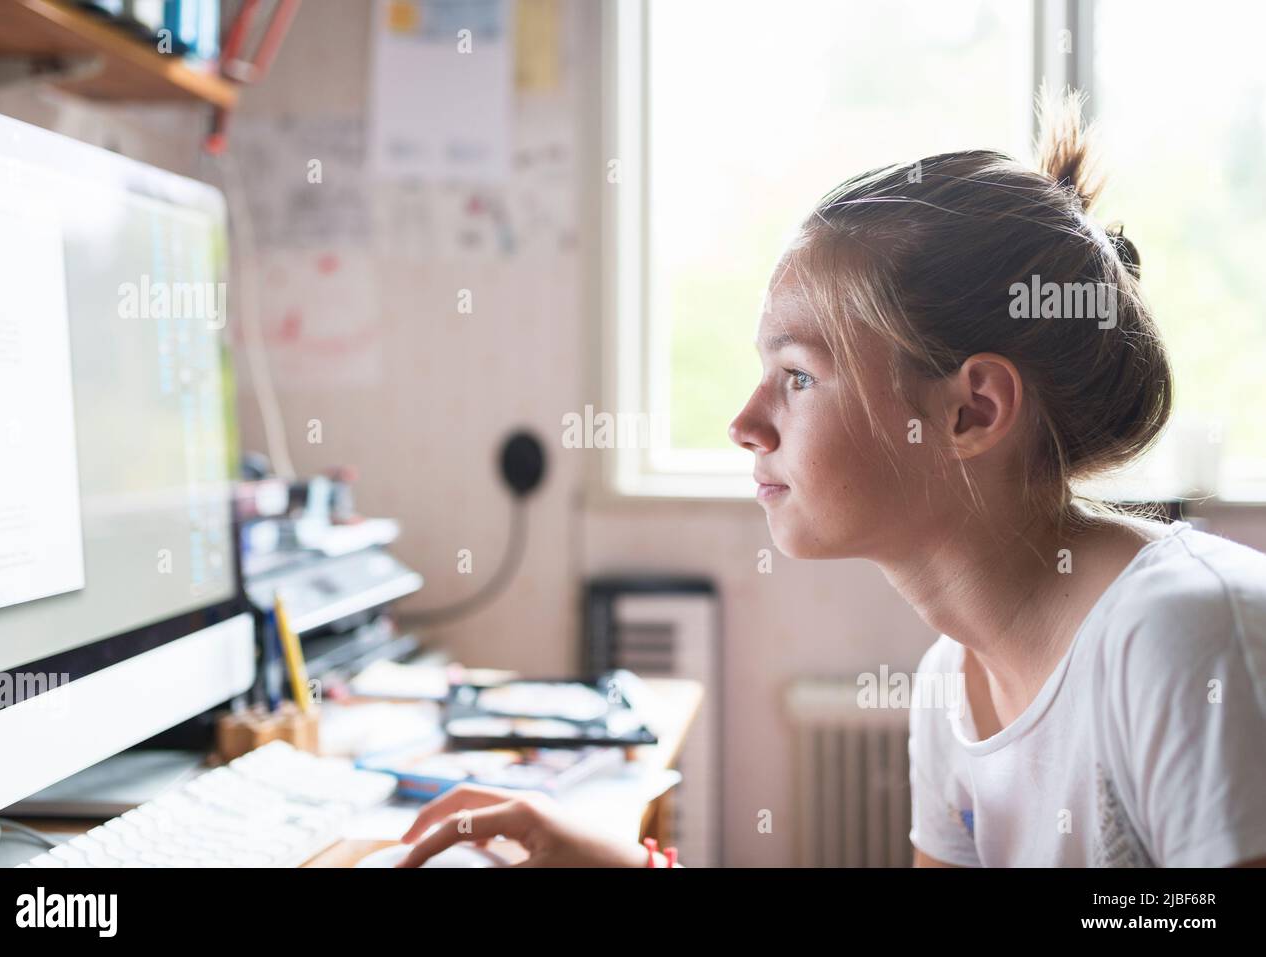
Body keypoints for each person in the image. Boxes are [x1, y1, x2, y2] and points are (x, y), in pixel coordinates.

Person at [397, 92, 1266, 868]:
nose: (745, 423)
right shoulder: (948, 686)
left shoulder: (1182, 638)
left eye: (799, 377)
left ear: (972, 411)